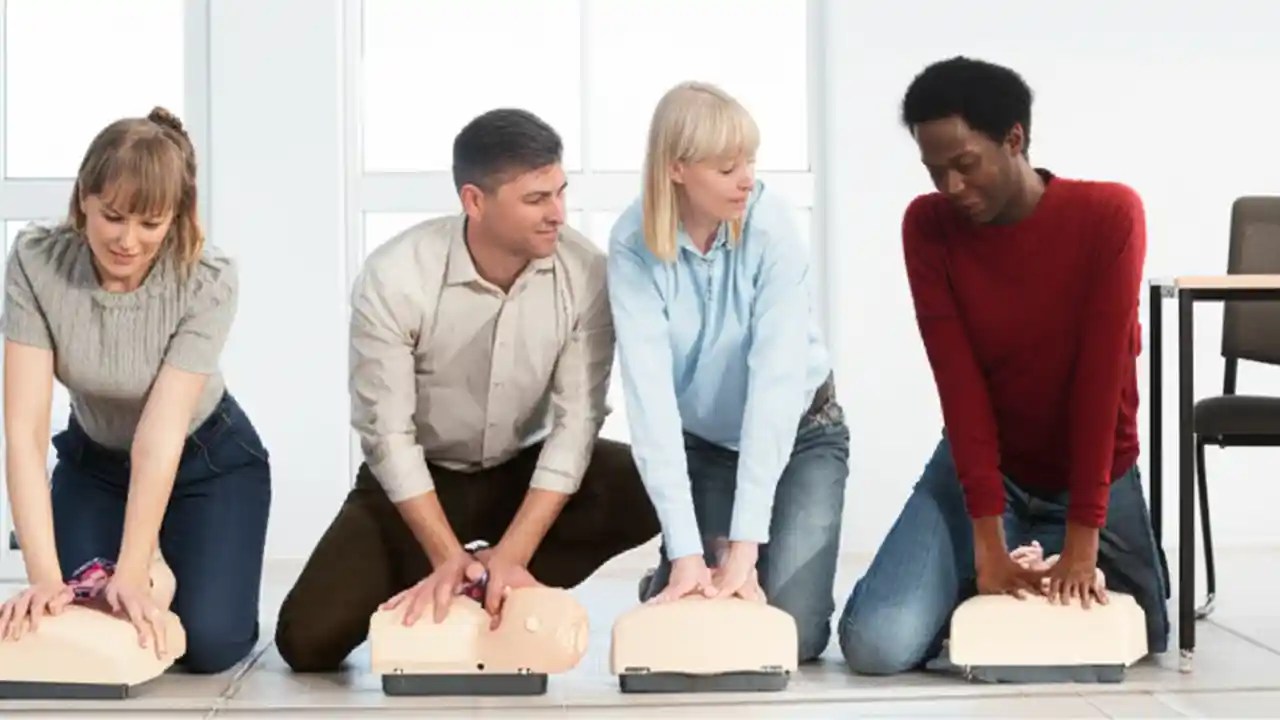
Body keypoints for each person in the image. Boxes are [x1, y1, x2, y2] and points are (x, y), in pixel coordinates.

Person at [274, 107, 660, 672]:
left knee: (644, 483)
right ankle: (452, 574)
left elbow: (577, 422)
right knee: (305, 643)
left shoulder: (585, 274)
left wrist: (513, 552)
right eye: (536, 200)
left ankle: (499, 577)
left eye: (560, 192)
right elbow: (388, 437)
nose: (558, 214)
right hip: (421, 482)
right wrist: (446, 554)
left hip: (520, 471)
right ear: (475, 201)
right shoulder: (396, 277)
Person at [837, 56, 1170, 675]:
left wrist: (1082, 538)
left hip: (1091, 467)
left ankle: (1030, 560)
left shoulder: (1109, 216)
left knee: (1146, 633)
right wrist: (987, 543)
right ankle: (989, 570)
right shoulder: (927, 227)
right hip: (989, 468)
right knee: (875, 645)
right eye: (935, 172)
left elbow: (1103, 386)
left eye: (965, 165)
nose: (951, 188)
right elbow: (958, 388)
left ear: (1014, 139)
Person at [0, 107, 272, 674]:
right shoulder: (35, 260)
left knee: (208, 645)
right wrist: (45, 579)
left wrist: (131, 566)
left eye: (150, 224)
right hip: (96, 463)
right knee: (75, 617)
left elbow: (160, 434)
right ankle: (145, 561)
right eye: (113, 217)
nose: (128, 241)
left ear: (175, 218)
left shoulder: (208, 277)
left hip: (206, 459)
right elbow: (24, 433)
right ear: (83, 202)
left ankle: (158, 559)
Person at [607, 81, 850, 662]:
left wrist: (745, 545)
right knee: (697, 595)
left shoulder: (771, 228)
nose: (747, 179)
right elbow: (651, 404)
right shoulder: (631, 243)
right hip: (706, 444)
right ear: (677, 169)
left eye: (751, 162)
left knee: (795, 632)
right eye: (727, 167)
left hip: (800, 432)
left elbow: (773, 390)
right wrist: (689, 553)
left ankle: (740, 555)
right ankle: (673, 564)